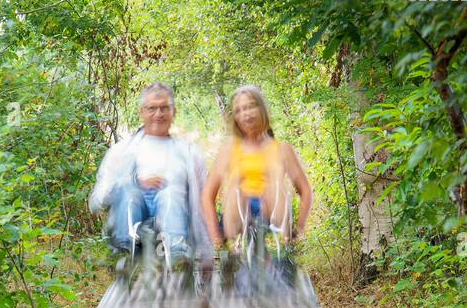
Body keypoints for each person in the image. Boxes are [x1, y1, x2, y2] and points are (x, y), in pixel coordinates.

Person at [89, 82, 213, 273]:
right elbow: (97, 201)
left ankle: (177, 252)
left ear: (174, 111)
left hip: (176, 218)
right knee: (130, 192)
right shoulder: (121, 152)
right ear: (141, 112)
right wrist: (133, 182)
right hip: (132, 217)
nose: (158, 114)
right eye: (151, 108)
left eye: (164, 108)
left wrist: (207, 253)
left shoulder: (189, 153)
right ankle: (126, 251)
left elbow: (203, 202)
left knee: (169, 193)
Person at [200, 85, 313, 271]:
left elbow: (306, 191)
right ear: (235, 118)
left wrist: (298, 232)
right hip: (238, 213)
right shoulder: (228, 149)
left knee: (274, 187)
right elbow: (207, 196)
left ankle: (274, 245)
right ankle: (238, 249)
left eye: (251, 106)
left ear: (262, 109)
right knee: (237, 190)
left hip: (273, 212)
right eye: (239, 110)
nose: (246, 114)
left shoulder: (282, 149)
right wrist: (216, 240)